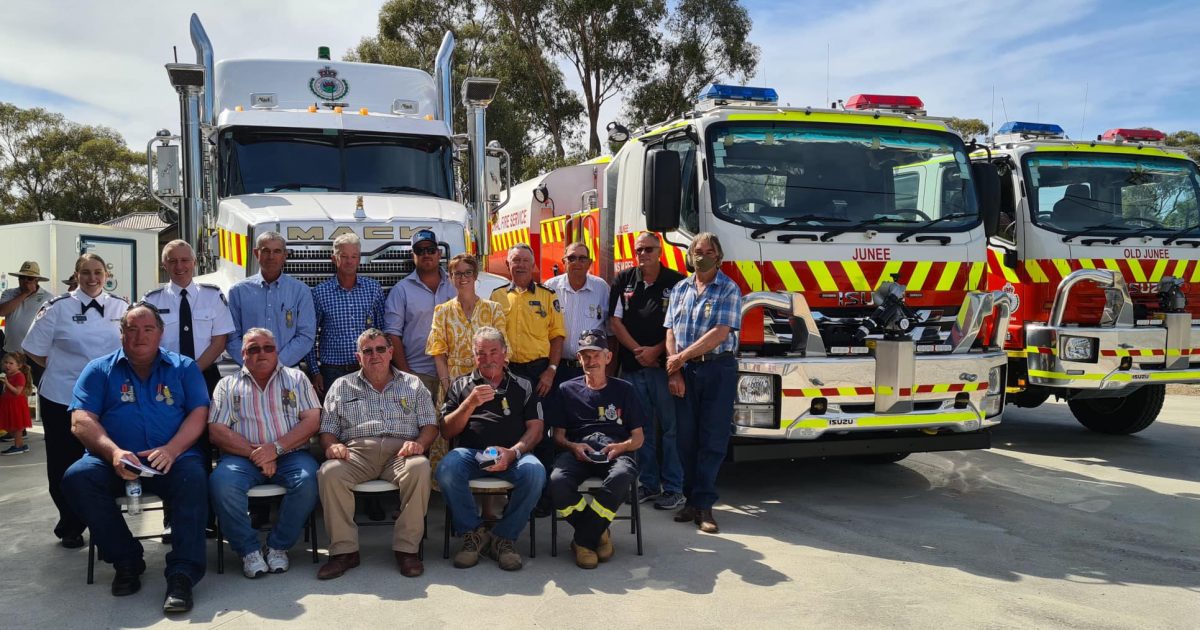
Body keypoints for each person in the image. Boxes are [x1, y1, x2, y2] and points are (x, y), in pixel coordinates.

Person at [61, 303, 209, 614]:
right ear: (121, 334)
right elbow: (80, 419)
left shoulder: (183, 367)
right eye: (131, 329)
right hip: (112, 459)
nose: (139, 336)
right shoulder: (99, 369)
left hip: (171, 457)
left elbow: (199, 412)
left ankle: (182, 575)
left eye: (148, 329)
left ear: (160, 333)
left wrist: (173, 449)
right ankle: (126, 561)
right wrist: (113, 452)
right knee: (77, 478)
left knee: (194, 476)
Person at [22, 253, 129, 548]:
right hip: (62, 396)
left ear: (107, 275)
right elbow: (33, 349)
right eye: (85, 272)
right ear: (76, 275)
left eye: (97, 272)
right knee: (62, 463)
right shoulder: (57, 307)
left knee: (106, 457)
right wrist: (66, 369)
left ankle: (105, 519)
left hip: (108, 399)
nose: (92, 278)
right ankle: (69, 524)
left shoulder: (121, 306)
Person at [316, 328, 437, 580]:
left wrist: (419, 444)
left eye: (380, 349)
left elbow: (430, 426)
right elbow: (327, 429)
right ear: (358, 356)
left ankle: (407, 550)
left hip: (401, 451)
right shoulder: (342, 385)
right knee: (329, 473)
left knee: (420, 468)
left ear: (391, 352)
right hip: (357, 453)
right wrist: (331, 446)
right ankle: (344, 552)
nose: (374, 355)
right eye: (367, 351)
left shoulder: (413, 384)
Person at [208, 328, 321, 578]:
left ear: (276, 350)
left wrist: (275, 449)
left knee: (309, 480)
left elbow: (312, 420)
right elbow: (216, 430)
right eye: (254, 349)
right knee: (221, 483)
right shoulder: (227, 385)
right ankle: (248, 550)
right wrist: (257, 454)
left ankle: (278, 546)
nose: (262, 353)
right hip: (241, 457)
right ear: (243, 354)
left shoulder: (297, 378)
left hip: (291, 454)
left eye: (268, 347)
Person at [436, 327, 544, 571]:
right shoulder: (461, 385)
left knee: (535, 472)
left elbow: (536, 429)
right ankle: (474, 533)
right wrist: (469, 403)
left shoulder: (523, 385)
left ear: (505, 353)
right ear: (474, 356)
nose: (487, 359)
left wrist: (513, 452)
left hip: (513, 456)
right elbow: (446, 431)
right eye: (480, 353)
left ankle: (503, 537)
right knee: (447, 468)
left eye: (493, 352)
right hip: (473, 456)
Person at [665, 232, 742, 534]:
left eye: (708, 251)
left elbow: (720, 333)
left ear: (718, 256)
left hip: (717, 371)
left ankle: (705, 505)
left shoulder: (728, 289)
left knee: (712, 439)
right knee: (685, 438)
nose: (701, 255)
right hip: (685, 372)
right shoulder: (680, 289)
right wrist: (674, 370)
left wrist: (680, 358)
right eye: (697, 250)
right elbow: (670, 330)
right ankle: (690, 500)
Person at [548, 329, 644, 569]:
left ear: (608, 358)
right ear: (579, 359)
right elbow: (557, 436)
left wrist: (621, 447)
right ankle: (598, 532)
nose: (591, 362)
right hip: (578, 451)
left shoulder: (625, 390)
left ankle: (583, 540)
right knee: (557, 481)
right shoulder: (566, 389)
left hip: (616, 451)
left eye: (596, 356)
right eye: (585, 356)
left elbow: (638, 438)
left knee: (623, 475)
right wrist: (572, 445)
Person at [609, 232, 687, 510]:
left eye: (649, 249)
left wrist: (656, 351)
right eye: (639, 250)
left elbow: (679, 325)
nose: (644, 254)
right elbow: (615, 321)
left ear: (660, 251)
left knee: (670, 429)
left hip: (664, 368)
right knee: (642, 431)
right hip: (634, 368)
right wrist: (638, 352)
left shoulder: (676, 282)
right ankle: (650, 485)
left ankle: (675, 487)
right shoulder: (624, 280)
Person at [141, 240, 234, 392]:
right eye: (173, 261)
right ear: (164, 265)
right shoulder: (151, 300)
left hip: (206, 374)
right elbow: (147, 341)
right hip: (164, 375)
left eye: (184, 260)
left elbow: (219, 341)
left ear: (194, 263)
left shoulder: (213, 296)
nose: (179, 266)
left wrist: (193, 370)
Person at [305, 233, 385, 396]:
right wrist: (314, 372)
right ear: (334, 258)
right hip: (332, 371)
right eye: (344, 256)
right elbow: (310, 335)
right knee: (335, 417)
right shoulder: (320, 293)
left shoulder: (373, 289)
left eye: (354, 256)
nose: (349, 261)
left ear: (359, 259)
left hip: (368, 366)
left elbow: (382, 331)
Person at [384, 229, 455, 402]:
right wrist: (407, 374)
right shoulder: (401, 290)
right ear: (412, 255)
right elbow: (393, 334)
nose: (426, 254)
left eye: (430, 250)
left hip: (455, 371)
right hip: (419, 374)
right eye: (420, 251)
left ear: (439, 253)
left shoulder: (455, 285)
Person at [228, 232, 316, 369]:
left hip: (288, 371)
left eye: (277, 251)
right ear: (256, 253)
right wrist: (252, 363)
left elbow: (306, 335)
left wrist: (277, 363)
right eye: (266, 251)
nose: (271, 256)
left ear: (285, 255)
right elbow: (231, 337)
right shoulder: (238, 291)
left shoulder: (300, 291)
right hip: (250, 372)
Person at [489, 243, 564, 397]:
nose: (521, 265)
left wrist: (551, 370)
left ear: (533, 264)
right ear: (507, 264)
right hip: (507, 370)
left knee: (538, 419)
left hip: (538, 373)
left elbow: (557, 336)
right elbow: (490, 337)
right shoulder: (497, 296)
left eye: (525, 260)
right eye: (516, 260)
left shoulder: (548, 296)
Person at [544, 242, 611, 385]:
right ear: (564, 262)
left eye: (582, 258)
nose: (577, 262)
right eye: (572, 258)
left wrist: (609, 369)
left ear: (589, 263)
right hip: (557, 368)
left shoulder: (602, 288)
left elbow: (611, 332)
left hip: (591, 368)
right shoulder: (550, 287)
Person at [1, 261, 53, 382]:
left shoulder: (48, 298)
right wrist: (25, 293)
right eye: (22, 277)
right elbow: (2, 311)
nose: (25, 281)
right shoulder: (9, 293)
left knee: (36, 388)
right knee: (8, 390)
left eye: (29, 278)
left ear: (37, 280)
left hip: (34, 355)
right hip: (11, 353)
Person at [0, 352, 33, 455]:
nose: (7, 365)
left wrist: (6, 383)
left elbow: (17, 392)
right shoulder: (8, 375)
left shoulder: (19, 376)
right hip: (8, 404)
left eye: (11, 363)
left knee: (17, 427)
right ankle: (20, 445)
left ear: (19, 365)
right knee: (10, 426)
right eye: (6, 363)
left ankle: (18, 446)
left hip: (16, 405)